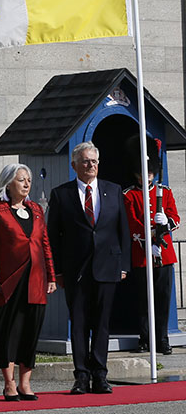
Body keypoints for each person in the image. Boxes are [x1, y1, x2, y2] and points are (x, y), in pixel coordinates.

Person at [47, 141, 130, 394]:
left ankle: (100, 375)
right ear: (74, 165)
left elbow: (123, 230)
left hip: (107, 267)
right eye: (85, 161)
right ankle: (81, 376)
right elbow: (53, 236)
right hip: (76, 270)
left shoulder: (113, 190)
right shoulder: (62, 194)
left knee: (102, 324)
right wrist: (57, 271)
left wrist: (124, 265)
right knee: (80, 324)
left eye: (94, 161)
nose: (90, 165)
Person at [0, 164, 57, 401]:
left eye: (29, 180)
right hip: (8, 282)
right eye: (21, 180)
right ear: (8, 183)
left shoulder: (36, 209)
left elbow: (44, 244)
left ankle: (25, 383)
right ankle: (9, 383)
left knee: (30, 331)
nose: (26, 184)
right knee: (8, 331)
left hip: (35, 278)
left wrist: (51, 276)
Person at [123, 165, 179, 355]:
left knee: (163, 299)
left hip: (164, 253)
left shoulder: (165, 192)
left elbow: (175, 217)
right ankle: (145, 338)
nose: (145, 176)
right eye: (141, 173)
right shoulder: (129, 195)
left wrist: (166, 222)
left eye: (148, 172)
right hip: (143, 252)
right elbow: (131, 223)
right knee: (144, 299)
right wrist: (150, 239)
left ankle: (162, 339)